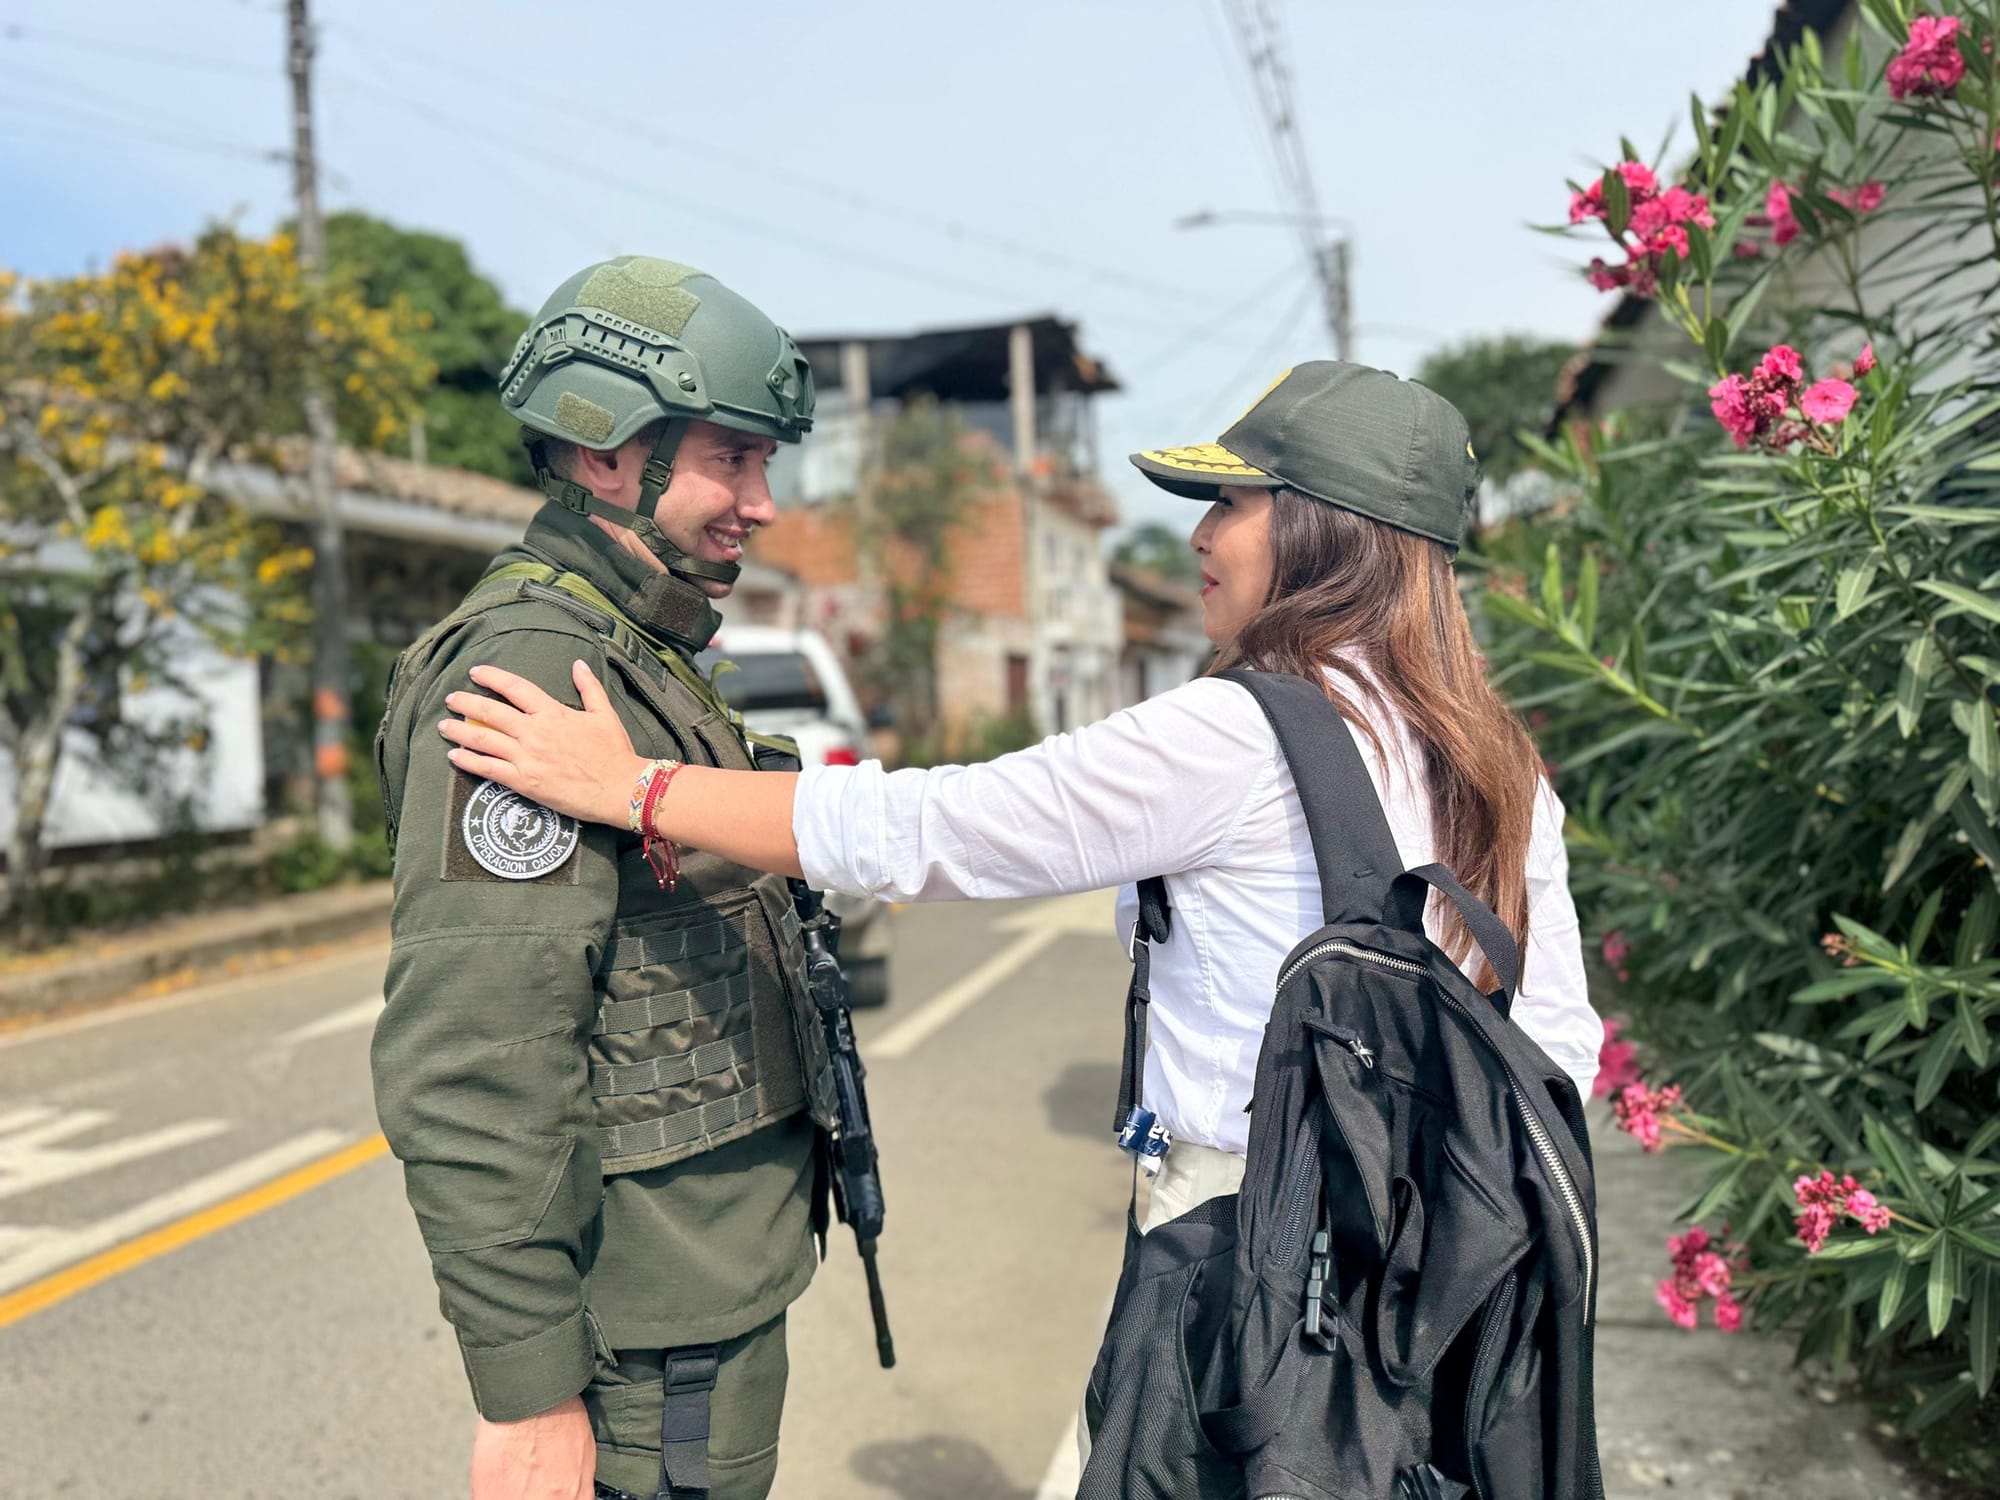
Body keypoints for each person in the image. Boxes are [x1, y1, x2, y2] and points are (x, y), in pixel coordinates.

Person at [436, 358, 1604, 1410]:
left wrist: (635, 787)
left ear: (1319, 531)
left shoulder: (1232, 736)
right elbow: (1557, 1045)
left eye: (1229, 503)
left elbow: (939, 829)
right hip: (1446, 1271)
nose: (1196, 537)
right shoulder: (1491, 751)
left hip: (1245, 1253)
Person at [371, 255, 833, 1500]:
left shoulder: (639, 650)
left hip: (704, 1288)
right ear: (603, 453)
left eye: (763, 463)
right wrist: (527, 1396)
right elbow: (476, 1057)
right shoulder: (534, 665)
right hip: (644, 1338)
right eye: (732, 458)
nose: (763, 502)